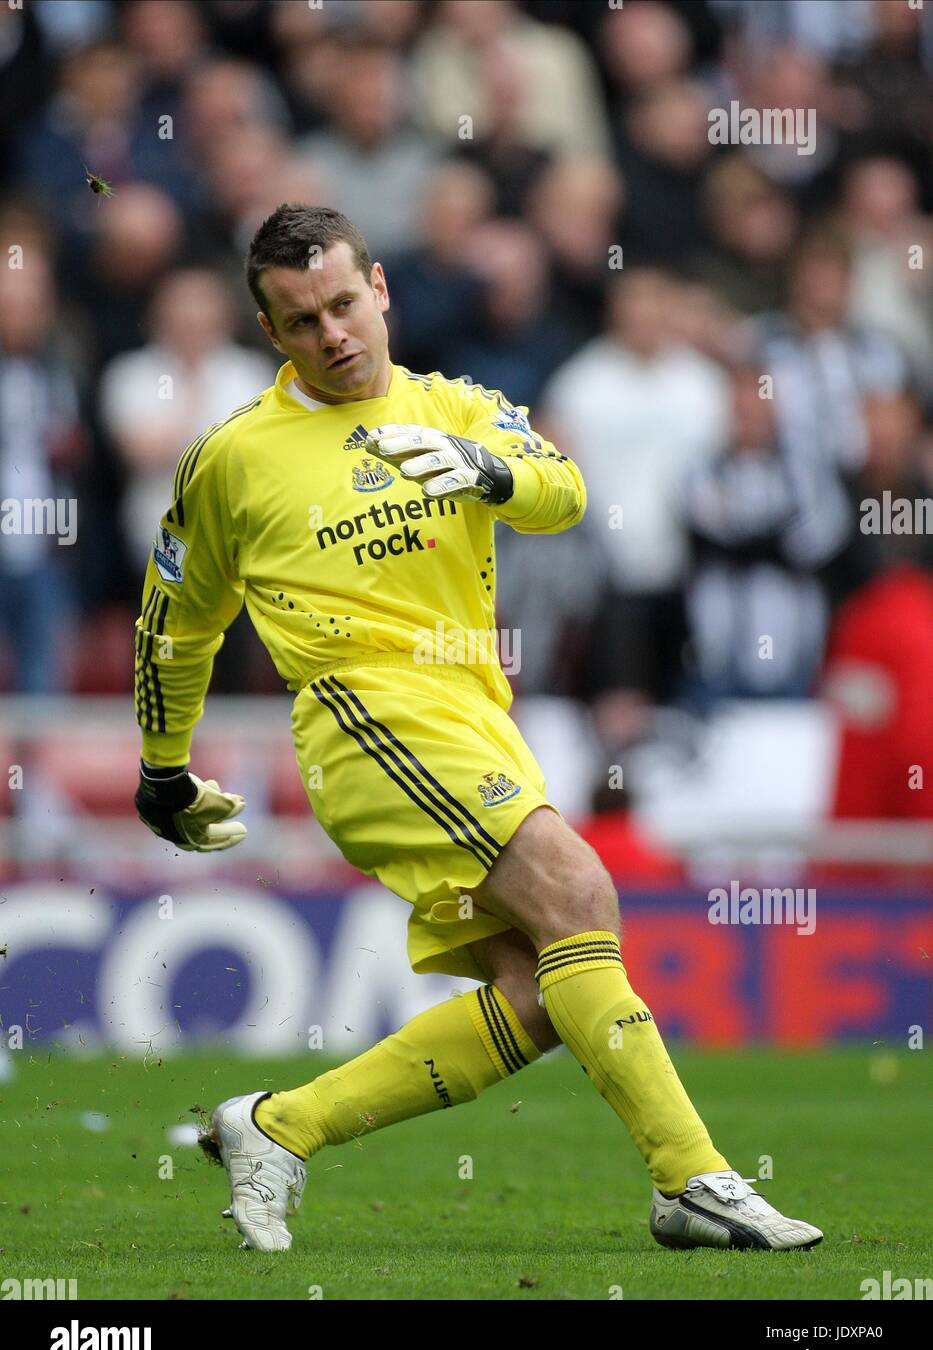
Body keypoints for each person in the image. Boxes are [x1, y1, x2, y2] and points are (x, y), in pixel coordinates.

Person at [132, 203, 821, 1255]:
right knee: (580, 890)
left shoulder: (457, 403)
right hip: (363, 718)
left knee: (537, 991)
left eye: (345, 303)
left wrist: (489, 470)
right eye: (303, 319)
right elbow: (175, 622)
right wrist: (163, 768)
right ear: (271, 335)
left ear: (381, 289)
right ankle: (694, 1179)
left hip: (474, 723)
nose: (334, 334)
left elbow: (563, 490)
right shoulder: (232, 458)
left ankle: (279, 1125)